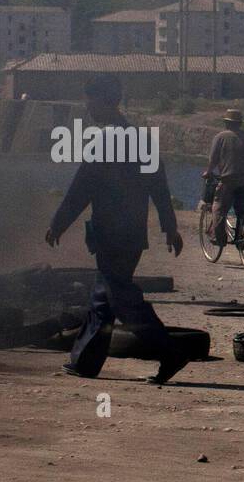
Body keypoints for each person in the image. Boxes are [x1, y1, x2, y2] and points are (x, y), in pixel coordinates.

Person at [45, 74, 188, 384]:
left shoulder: (105, 141)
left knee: (121, 297)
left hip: (111, 235)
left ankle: (170, 352)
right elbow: (159, 188)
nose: (87, 108)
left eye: (90, 101)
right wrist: (169, 227)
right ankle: (84, 361)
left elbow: (80, 190)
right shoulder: (140, 140)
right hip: (131, 236)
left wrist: (58, 224)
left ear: (103, 101)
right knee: (103, 297)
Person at [202, 109, 244, 247]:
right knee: (242, 209)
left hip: (230, 181)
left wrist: (208, 172)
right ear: (240, 123)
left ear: (226, 123)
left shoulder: (221, 137)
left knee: (219, 208)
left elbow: (213, 160)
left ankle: (219, 239)